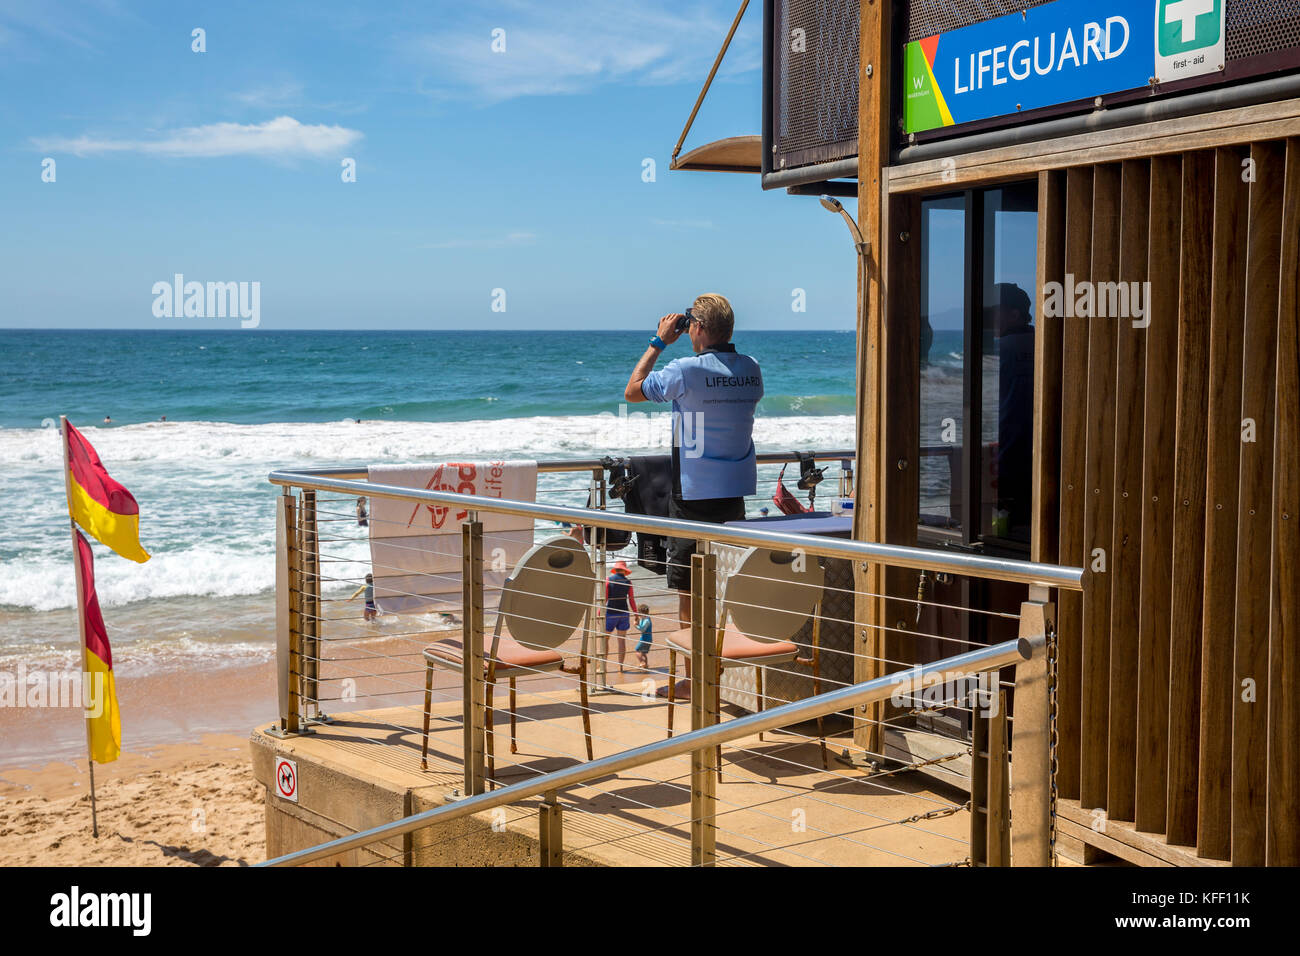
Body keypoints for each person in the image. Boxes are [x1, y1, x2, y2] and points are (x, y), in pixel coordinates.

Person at [624, 293, 763, 698]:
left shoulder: (684, 369)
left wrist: (659, 341)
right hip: (734, 492)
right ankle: (721, 676)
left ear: (697, 328)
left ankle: (695, 683)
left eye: (689, 327)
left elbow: (633, 391)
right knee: (721, 588)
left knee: (689, 591)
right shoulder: (752, 369)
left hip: (693, 496)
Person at [603, 560, 636, 674]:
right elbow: (631, 600)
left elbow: (605, 598)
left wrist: (599, 611)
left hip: (611, 613)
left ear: (615, 569)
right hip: (624, 613)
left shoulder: (609, 580)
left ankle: (603, 666)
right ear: (624, 570)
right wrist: (636, 614)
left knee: (604, 640)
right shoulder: (628, 582)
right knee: (621, 641)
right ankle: (621, 667)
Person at [633, 603, 652, 670]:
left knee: (637, 651)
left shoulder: (646, 621)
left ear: (643, 614)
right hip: (647, 639)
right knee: (643, 653)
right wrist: (638, 620)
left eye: (639, 613)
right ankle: (646, 665)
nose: (639, 615)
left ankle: (642, 663)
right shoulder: (645, 618)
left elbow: (642, 629)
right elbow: (641, 624)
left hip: (645, 640)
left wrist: (635, 626)